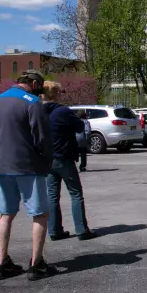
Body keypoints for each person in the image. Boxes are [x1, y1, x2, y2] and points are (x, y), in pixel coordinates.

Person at [0, 70, 56, 281]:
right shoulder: (32, 102)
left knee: (6, 213)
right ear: (34, 83)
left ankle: (2, 262)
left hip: (2, 165)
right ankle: (36, 264)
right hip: (28, 166)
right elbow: (41, 137)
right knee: (40, 214)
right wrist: (46, 160)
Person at [43, 82, 97, 242]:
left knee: (52, 195)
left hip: (47, 158)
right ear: (55, 93)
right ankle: (81, 229)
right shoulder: (62, 112)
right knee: (75, 193)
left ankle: (54, 230)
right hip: (63, 156)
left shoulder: (38, 111)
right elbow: (80, 126)